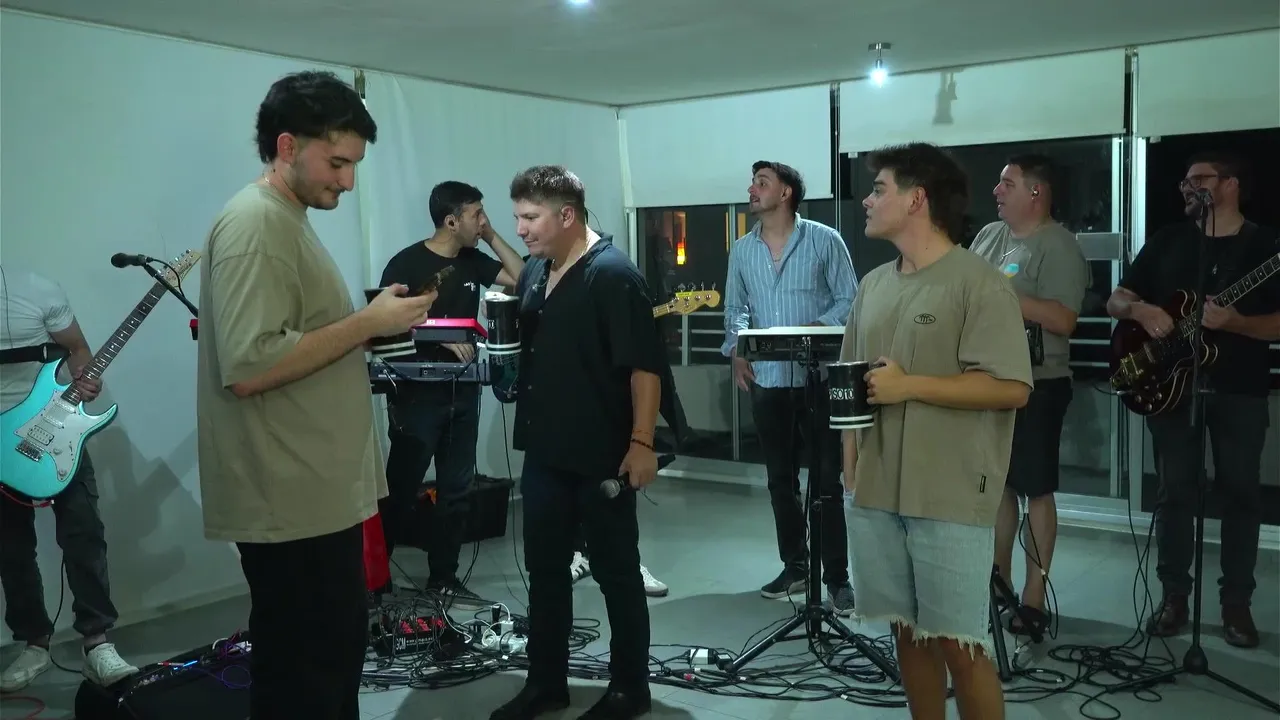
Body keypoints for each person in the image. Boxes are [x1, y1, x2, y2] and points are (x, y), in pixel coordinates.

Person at [196, 70, 436, 720]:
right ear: (287, 146)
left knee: (324, 663)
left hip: (310, 493)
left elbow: (291, 339)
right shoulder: (256, 225)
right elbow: (250, 365)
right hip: (288, 497)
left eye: (354, 164)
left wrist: (374, 324)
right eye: (337, 163)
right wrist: (365, 324)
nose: (348, 181)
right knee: (309, 672)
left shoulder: (286, 220)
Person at [840, 142, 1032, 720]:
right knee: (907, 632)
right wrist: (850, 465)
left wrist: (910, 386)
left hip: (948, 494)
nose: (867, 200)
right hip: (876, 491)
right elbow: (849, 380)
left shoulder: (979, 283)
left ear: (916, 199)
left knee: (959, 644)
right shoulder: (873, 284)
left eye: (879, 189)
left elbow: (1011, 387)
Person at [488, 165, 658, 720]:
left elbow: (644, 368)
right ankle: (546, 683)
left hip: (601, 453)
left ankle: (630, 689)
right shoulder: (538, 270)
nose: (520, 229)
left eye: (530, 217)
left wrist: (641, 443)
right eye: (517, 217)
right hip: (546, 452)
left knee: (616, 574)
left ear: (566, 215)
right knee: (545, 572)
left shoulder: (613, 275)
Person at [1106, 152, 1278, 649]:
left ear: (1231, 183)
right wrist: (1142, 310)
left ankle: (1236, 603)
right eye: (1183, 181)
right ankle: (1174, 597)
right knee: (1174, 493)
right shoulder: (1168, 240)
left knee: (1241, 495)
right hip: (1171, 390)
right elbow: (1115, 299)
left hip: (1240, 390)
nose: (1186, 187)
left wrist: (1238, 323)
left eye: (1198, 180)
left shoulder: (1265, 246)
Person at [377, 180, 525, 605]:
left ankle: (443, 578)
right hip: (417, 398)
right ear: (451, 221)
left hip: (463, 393)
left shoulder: (473, 261)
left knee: (456, 491)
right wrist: (436, 338)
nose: (483, 220)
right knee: (401, 489)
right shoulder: (405, 264)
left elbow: (522, 278)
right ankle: (373, 581)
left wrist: (491, 235)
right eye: (476, 215)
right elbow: (382, 327)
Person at [720, 160, 857, 613]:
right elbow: (736, 308)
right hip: (767, 379)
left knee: (827, 482)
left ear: (786, 193)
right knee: (780, 481)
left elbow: (850, 300)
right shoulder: (742, 250)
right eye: (752, 181)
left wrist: (815, 329)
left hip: (818, 380)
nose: (752, 189)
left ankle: (836, 578)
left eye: (762, 183)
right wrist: (738, 347)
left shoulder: (824, 240)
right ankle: (795, 566)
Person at [0, 268, 138, 692]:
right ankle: (34, 644)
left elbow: (77, 348)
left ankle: (97, 642)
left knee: (84, 535)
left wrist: (85, 378)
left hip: (58, 429)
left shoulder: (36, 288)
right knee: (10, 549)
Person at [969, 155, 1089, 637]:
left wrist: (1006, 298)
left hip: (1040, 383)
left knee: (1035, 488)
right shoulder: (988, 237)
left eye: (1007, 183)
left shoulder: (1058, 245)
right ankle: (998, 584)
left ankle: (1034, 595)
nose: (996, 191)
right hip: (987, 380)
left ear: (1035, 192)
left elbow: (1064, 320)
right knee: (998, 487)